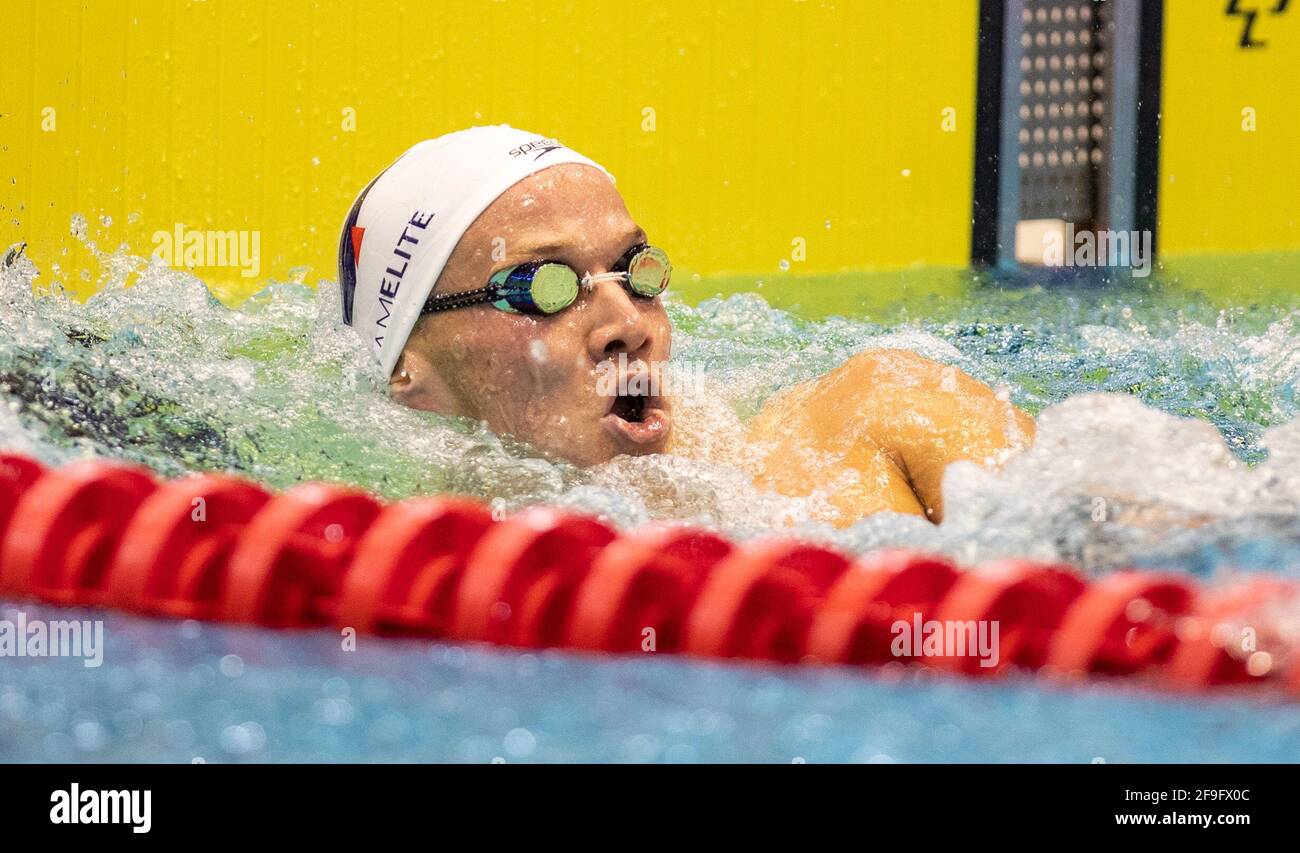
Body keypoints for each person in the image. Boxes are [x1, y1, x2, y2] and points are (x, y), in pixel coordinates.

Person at [338, 126, 1034, 525]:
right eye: (543, 288)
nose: (625, 322)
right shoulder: (407, 558)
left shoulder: (880, 413)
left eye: (633, 269)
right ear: (407, 369)